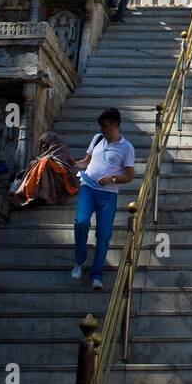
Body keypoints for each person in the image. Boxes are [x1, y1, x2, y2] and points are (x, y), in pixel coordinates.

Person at [71, 108, 136, 291]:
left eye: (106, 126)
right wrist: (74, 163)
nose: (103, 130)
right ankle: (79, 261)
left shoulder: (126, 147)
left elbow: (129, 175)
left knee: (104, 234)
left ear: (115, 125)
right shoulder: (97, 138)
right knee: (81, 222)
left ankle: (96, 274)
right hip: (88, 187)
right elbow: (86, 161)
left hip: (108, 194)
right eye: (101, 126)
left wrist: (113, 179)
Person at [12, 131, 79, 208]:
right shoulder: (46, 155)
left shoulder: (62, 150)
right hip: (47, 177)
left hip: (61, 178)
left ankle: (41, 195)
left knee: (45, 162)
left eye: (45, 143)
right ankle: (33, 195)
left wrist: (46, 162)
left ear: (51, 141)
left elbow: (65, 168)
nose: (43, 146)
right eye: (42, 144)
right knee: (39, 163)